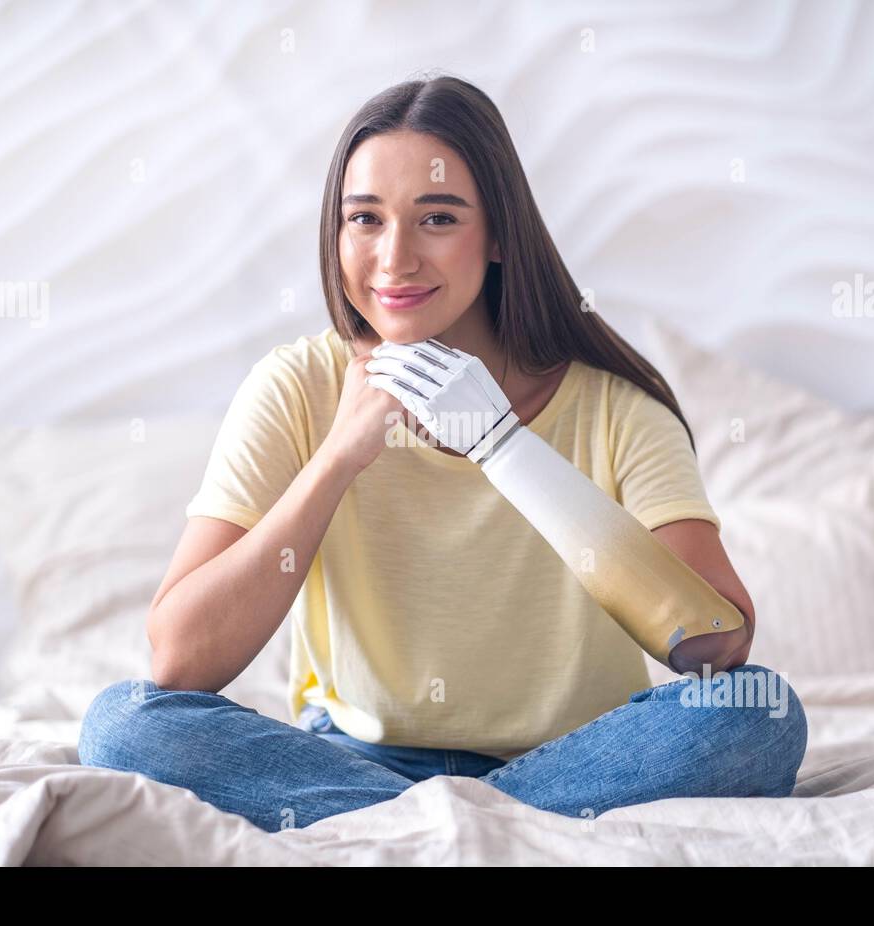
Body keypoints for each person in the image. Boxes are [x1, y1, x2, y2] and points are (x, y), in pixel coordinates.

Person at [79, 74, 807, 834]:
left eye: (437, 218)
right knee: (122, 724)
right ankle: (503, 830)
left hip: (584, 758)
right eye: (365, 219)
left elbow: (715, 646)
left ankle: (405, 832)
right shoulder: (296, 386)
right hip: (356, 761)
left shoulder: (618, 409)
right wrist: (337, 457)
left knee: (757, 712)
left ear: (498, 234)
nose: (394, 259)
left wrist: (503, 446)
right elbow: (179, 663)